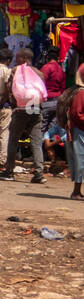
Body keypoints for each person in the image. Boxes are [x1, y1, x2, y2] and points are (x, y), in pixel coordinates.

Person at [0, 48, 48, 185]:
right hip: (35, 109)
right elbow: (43, 90)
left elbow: (9, 88)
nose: (16, 59)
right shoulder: (39, 73)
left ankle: (9, 171)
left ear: (25, 58)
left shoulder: (16, 71)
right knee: (36, 142)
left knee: (13, 140)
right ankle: (39, 173)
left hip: (21, 110)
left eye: (18, 57)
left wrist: (10, 103)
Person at [66, 68, 84, 200]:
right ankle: (76, 192)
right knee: (80, 161)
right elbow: (76, 114)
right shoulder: (81, 93)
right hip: (80, 130)